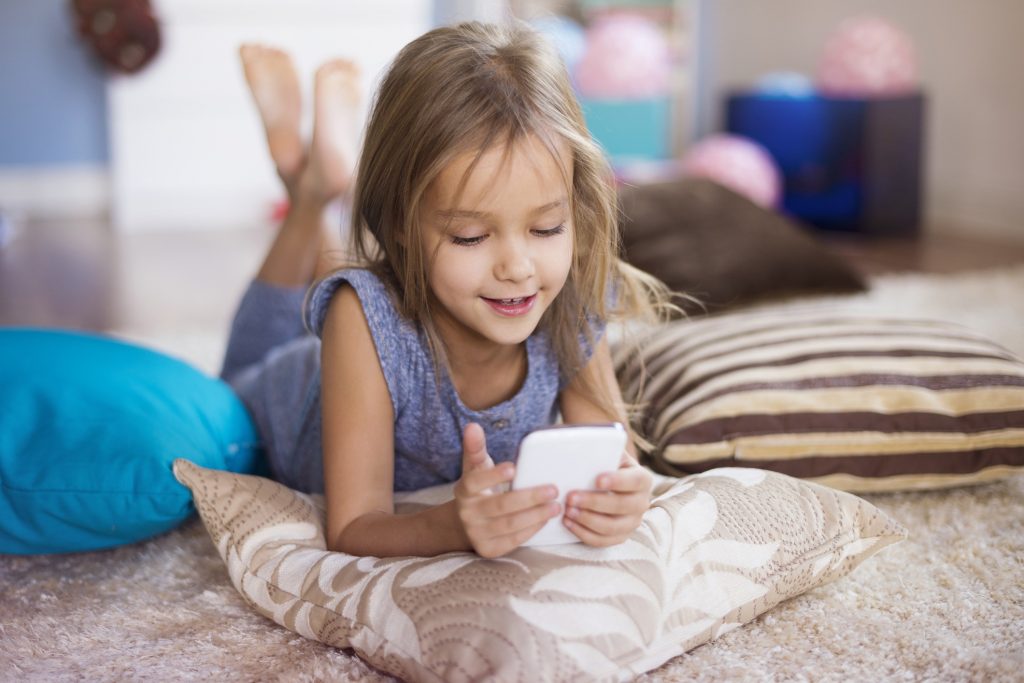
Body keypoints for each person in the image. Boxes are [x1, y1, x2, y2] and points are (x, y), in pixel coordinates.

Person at [223, 22, 674, 559]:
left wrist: (625, 497)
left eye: (547, 228)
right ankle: (309, 194)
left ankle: (315, 180)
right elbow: (353, 527)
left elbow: (617, 466)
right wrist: (453, 527)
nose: (518, 267)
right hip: (270, 399)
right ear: (399, 229)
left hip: (365, 325)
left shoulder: (568, 305)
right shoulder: (361, 316)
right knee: (252, 356)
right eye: (471, 236)